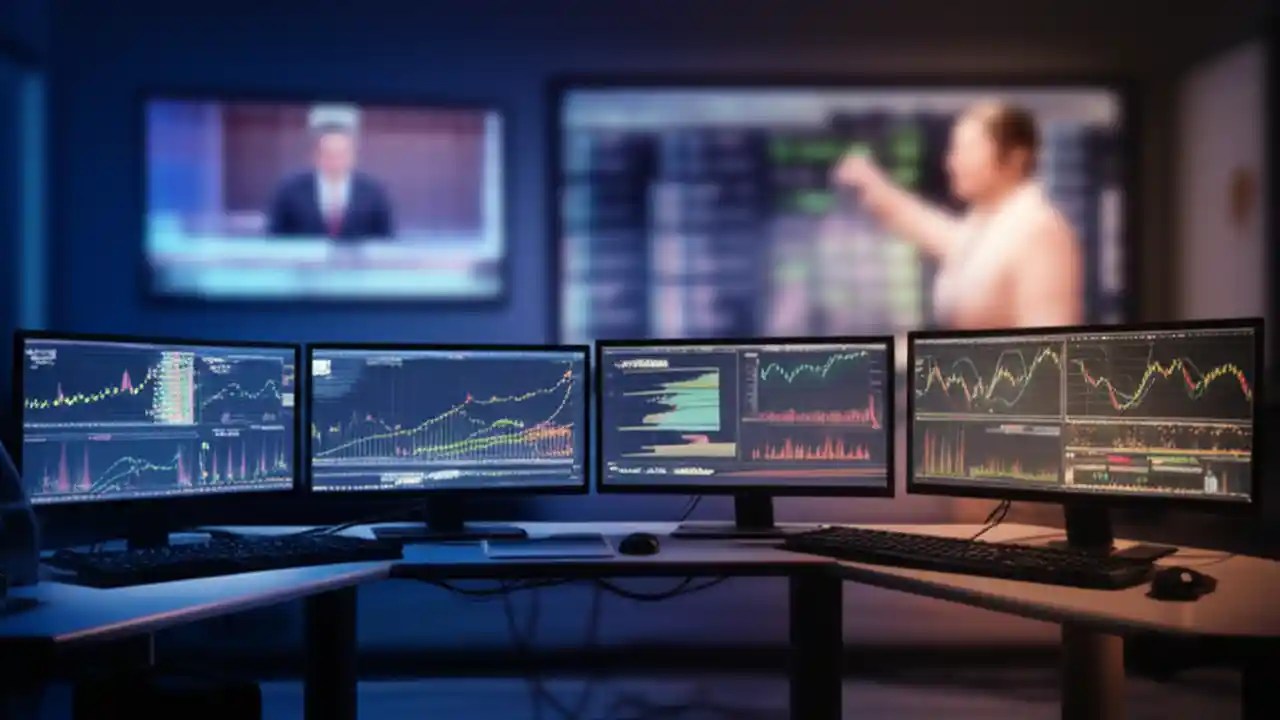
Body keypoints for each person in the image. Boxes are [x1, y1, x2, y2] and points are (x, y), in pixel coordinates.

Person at [833, 101, 1082, 329]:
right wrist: (873, 185)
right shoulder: (988, 225)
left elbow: (1050, 355)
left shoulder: (1040, 232)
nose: (952, 163)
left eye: (968, 149)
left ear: (1015, 158)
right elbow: (925, 225)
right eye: (955, 150)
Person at [267, 123, 394, 240]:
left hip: (357, 263)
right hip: (304, 261)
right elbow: (275, 235)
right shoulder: (290, 189)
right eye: (328, 154)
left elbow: (386, 237)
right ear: (315, 156)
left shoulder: (373, 191)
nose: (335, 161)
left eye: (341, 154)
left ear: (353, 157)